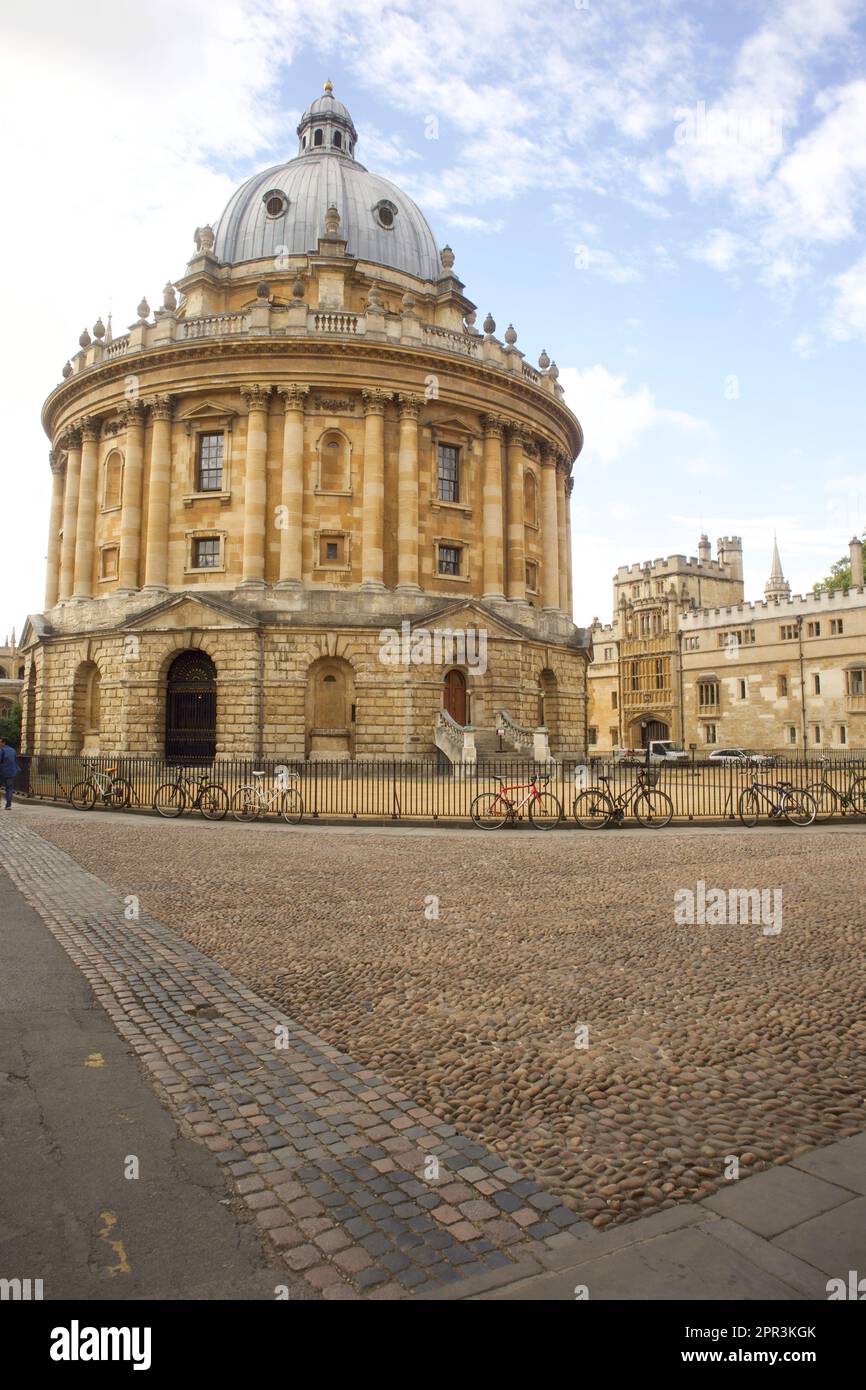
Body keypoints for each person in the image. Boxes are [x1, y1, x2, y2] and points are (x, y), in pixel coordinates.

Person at [0, 736, 21, 809]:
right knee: (9, 789)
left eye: (0, 741)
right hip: (11, 772)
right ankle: (8, 805)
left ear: (4, 742)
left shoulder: (1, 750)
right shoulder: (13, 750)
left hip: (2, 772)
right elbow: (15, 761)